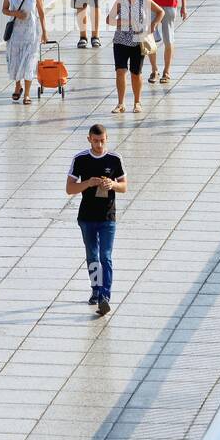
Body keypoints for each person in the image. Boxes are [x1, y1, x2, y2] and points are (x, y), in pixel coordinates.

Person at [65, 124, 127, 316]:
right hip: (87, 216)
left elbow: (124, 186)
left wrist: (113, 184)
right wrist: (88, 183)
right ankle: (95, 288)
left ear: (107, 138)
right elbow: (69, 189)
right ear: (89, 139)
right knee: (92, 256)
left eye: (102, 140)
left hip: (108, 216)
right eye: (95, 141)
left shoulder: (115, 159)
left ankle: (105, 296)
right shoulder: (80, 159)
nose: (99, 145)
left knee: (105, 256)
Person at [107, 0, 163, 114]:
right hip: (120, 40)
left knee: (135, 73)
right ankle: (120, 104)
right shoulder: (121, 0)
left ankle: (137, 102)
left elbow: (160, 11)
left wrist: (153, 24)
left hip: (138, 41)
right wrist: (124, 22)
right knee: (120, 71)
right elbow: (109, 19)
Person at [3, 0, 48, 104]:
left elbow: (41, 13)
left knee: (29, 62)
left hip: (31, 33)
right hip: (15, 33)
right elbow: (4, 9)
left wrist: (44, 32)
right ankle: (18, 86)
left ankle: (27, 94)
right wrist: (14, 13)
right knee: (15, 61)